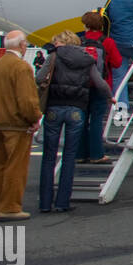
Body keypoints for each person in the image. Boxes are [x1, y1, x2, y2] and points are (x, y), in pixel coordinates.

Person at [36, 31, 113, 213]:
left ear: (60, 42)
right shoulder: (86, 58)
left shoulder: (53, 56)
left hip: (54, 107)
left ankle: (45, 203)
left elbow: (39, 78)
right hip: (77, 108)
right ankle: (63, 202)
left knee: (49, 156)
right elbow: (99, 83)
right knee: (70, 156)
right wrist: (110, 97)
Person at [0, 29, 40, 221]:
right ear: (22, 45)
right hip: (16, 125)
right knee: (16, 168)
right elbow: (27, 100)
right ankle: (9, 207)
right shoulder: (21, 67)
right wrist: (34, 118)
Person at [80, 11, 122, 163]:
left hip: (82, 85)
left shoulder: (81, 41)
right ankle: (97, 154)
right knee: (97, 120)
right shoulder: (107, 42)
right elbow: (117, 63)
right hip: (101, 85)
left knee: (82, 120)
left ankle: (80, 154)